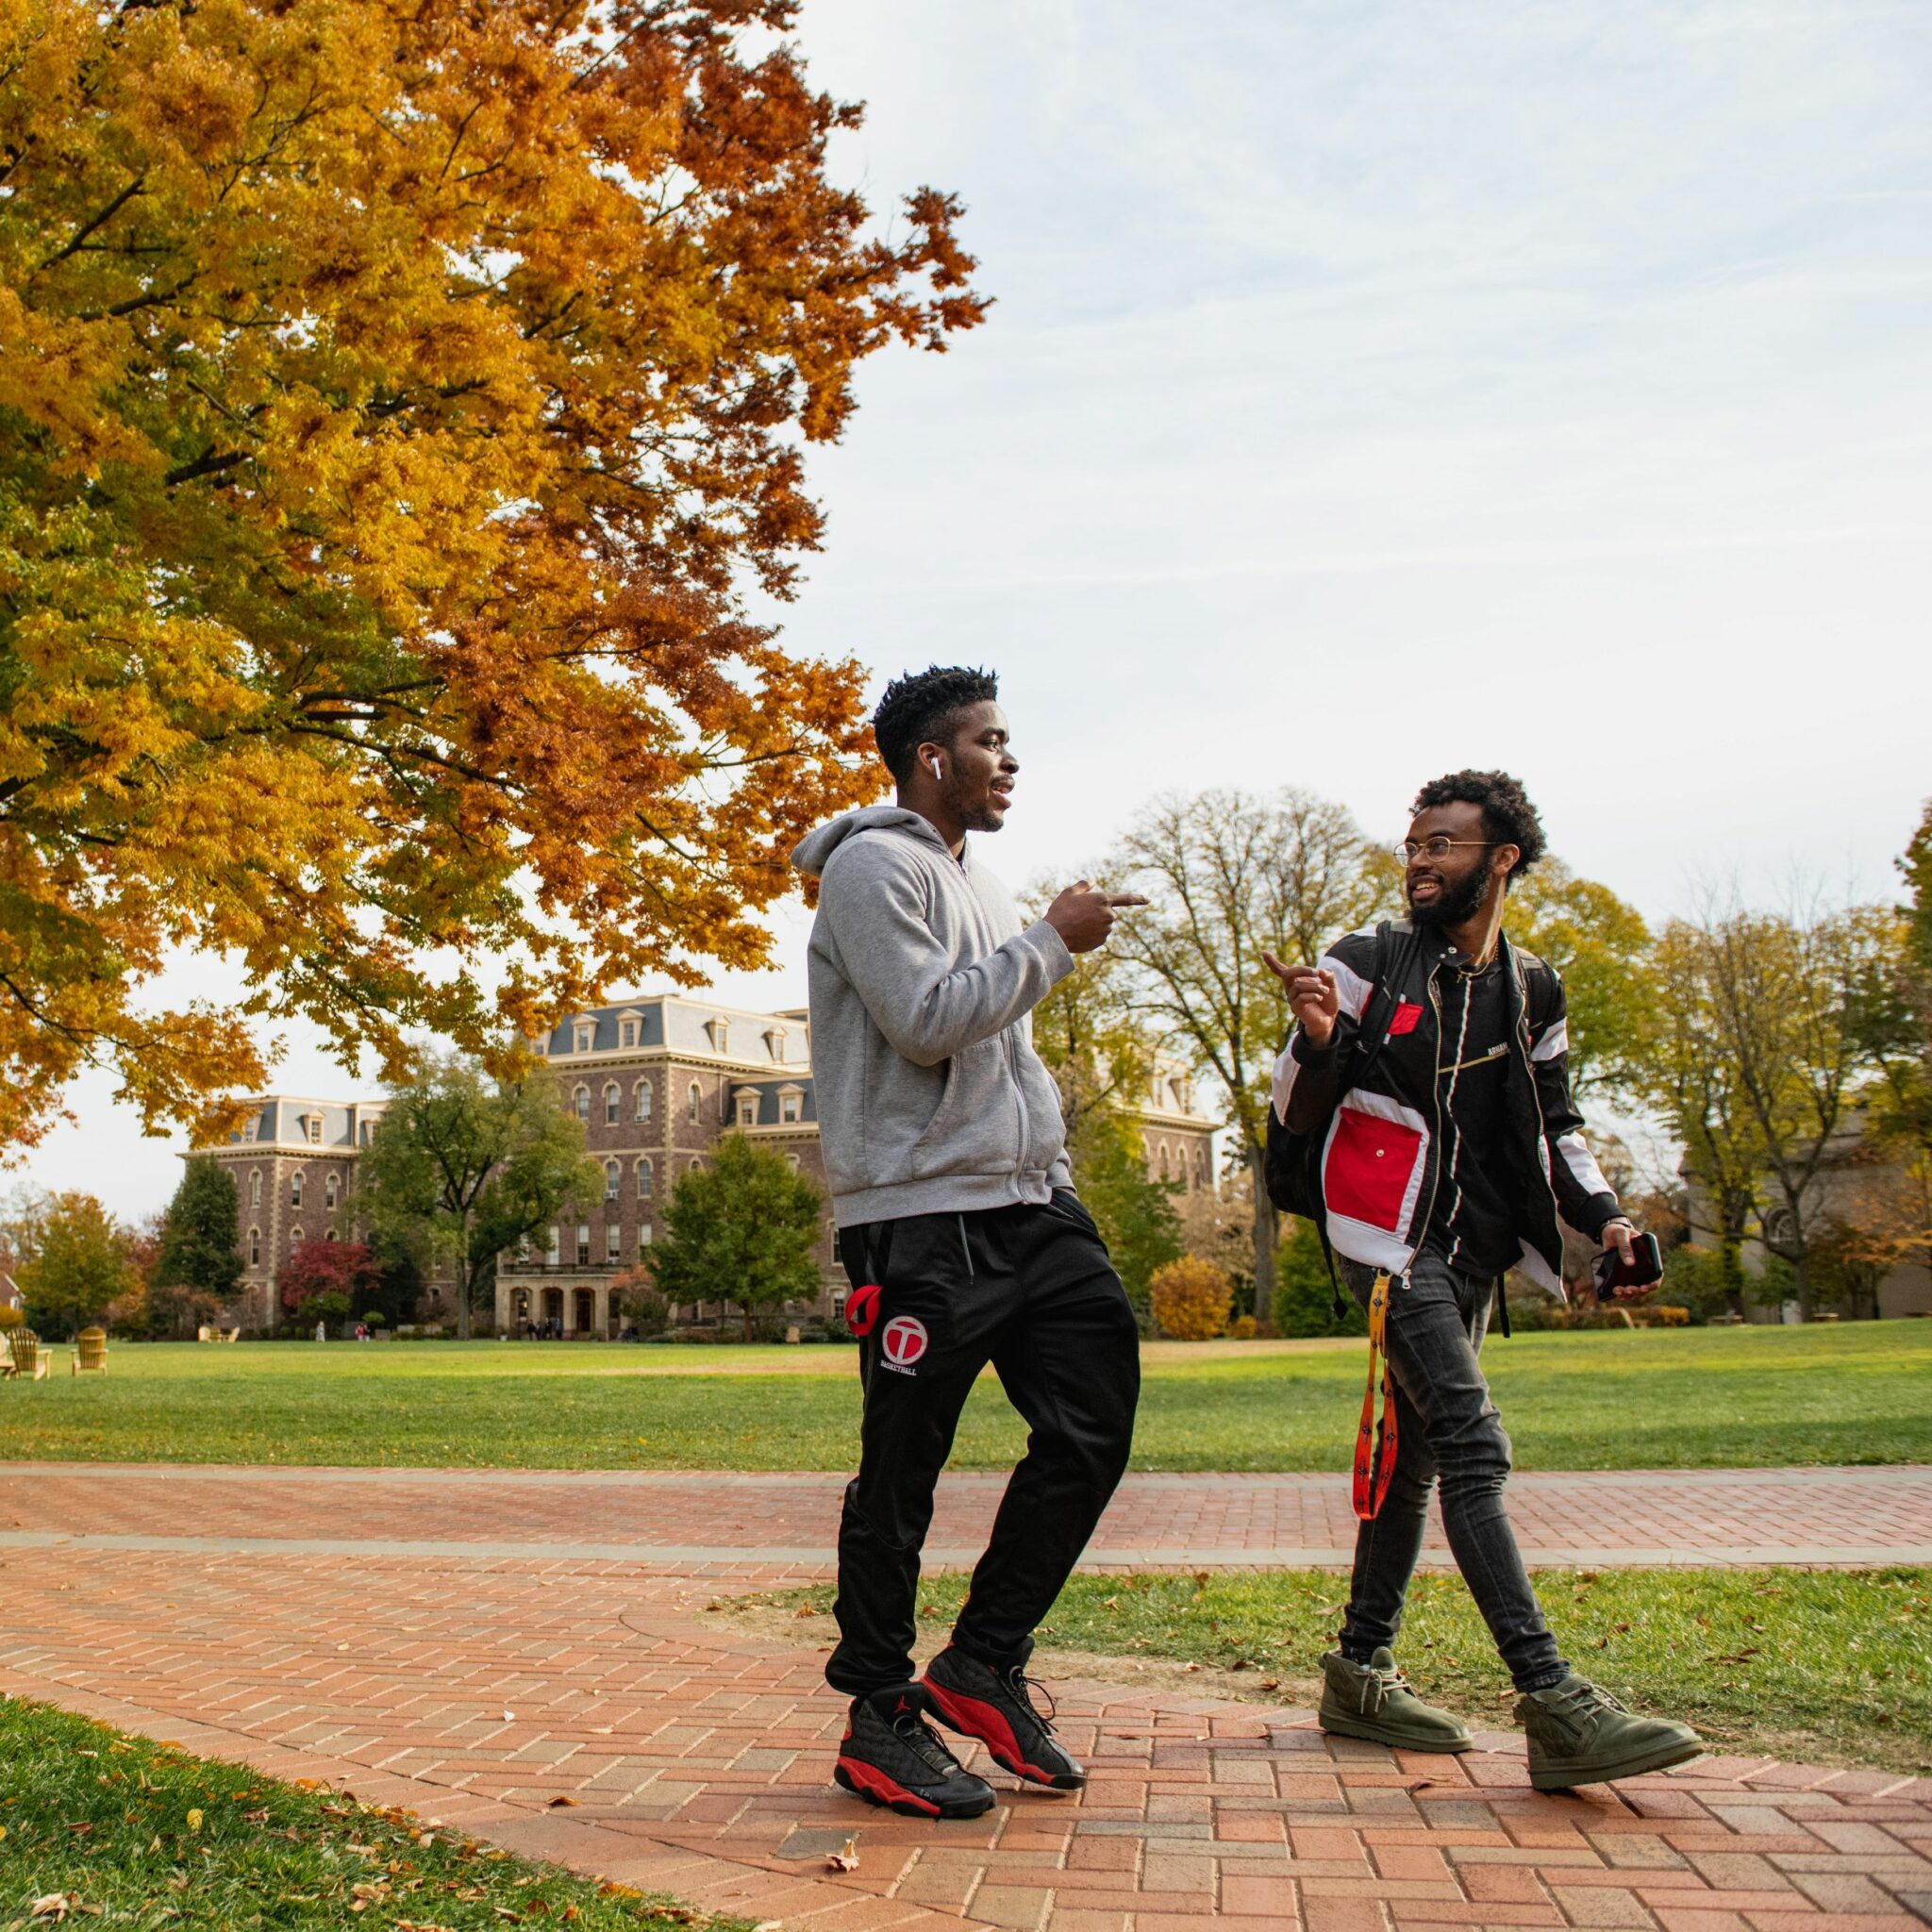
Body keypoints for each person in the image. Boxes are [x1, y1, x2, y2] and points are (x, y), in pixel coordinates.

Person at [1267, 770, 1702, 1792]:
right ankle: (1551, 1700)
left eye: (1441, 845)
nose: (1418, 859)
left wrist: (1608, 1220)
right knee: (1470, 1435)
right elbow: (1293, 1108)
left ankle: (1358, 1671)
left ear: (1499, 858)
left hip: (1470, 1248)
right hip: (1385, 1240)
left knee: (1417, 1454)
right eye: (1411, 843)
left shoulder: (1532, 986)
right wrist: (1322, 1038)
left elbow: (1554, 1123)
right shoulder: (1366, 960)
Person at [792, 665, 1145, 1820]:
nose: (1008, 760)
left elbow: (998, 1034)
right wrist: (1053, 938)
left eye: (1009, 741)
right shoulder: (869, 867)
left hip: (1028, 1201)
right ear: (930, 758)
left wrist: (1034, 937)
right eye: (988, 742)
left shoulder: (978, 883)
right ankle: (878, 1714)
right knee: (903, 1471)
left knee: (1092, 1422)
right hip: (918, 1215)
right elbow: (926, 1018)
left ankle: (983, 1660)